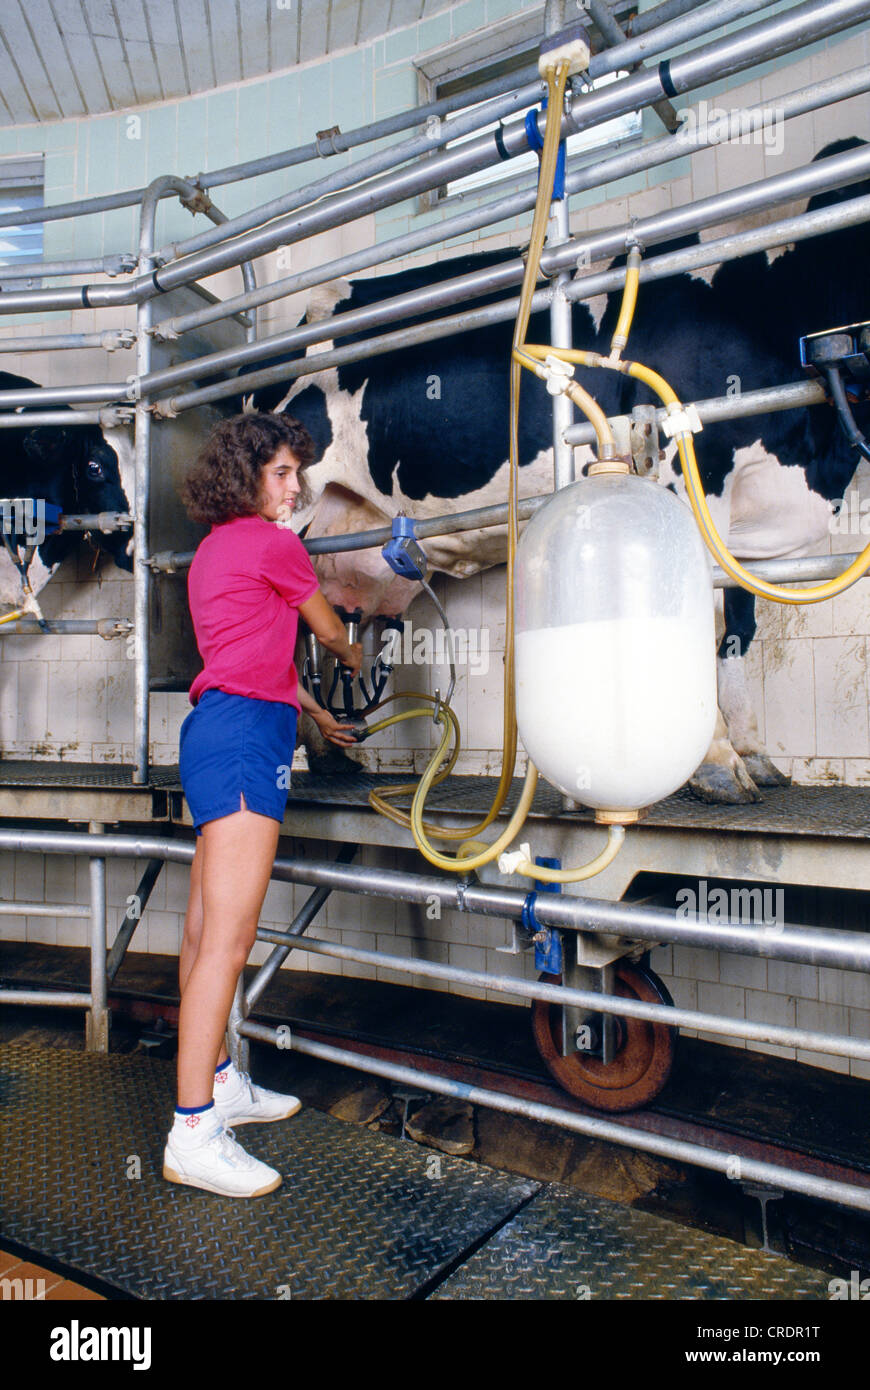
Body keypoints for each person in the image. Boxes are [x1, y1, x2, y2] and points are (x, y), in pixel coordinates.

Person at [162, 412, 362, 1198]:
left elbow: (249, 653)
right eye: (280, 473)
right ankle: (192, 1131)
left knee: (202, 929)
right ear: (245, 477)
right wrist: (355, 639)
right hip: (247, 743)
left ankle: (220, 1081)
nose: (295, 487)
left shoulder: (214, 552)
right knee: (229, 941)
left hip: (218, 732)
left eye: (295, 473)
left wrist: (311, 712)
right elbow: (329, 632)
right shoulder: (278, 545)